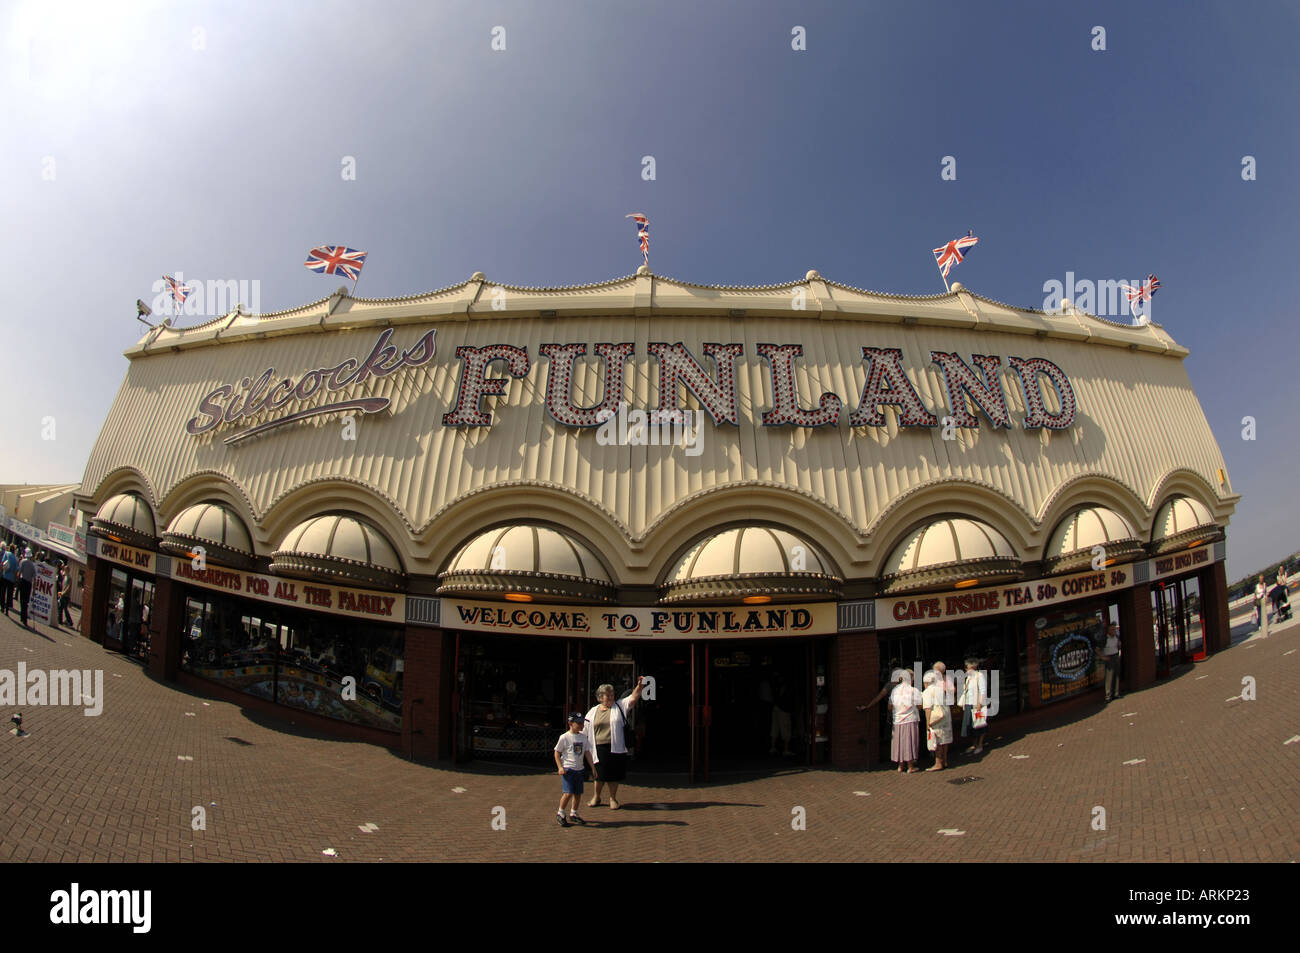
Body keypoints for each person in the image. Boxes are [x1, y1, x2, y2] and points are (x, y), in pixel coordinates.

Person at [584, 677, 645, 809]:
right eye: (607, 695)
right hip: (598, 748)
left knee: (613, 775)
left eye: (612, 694)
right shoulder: (592, 712)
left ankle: (613, 799)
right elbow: (585, 729)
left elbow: (633, 698)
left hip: (615, 747)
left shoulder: (619, 706)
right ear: (600, 697)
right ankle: (596, 797)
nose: (610, 697)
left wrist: (639, 687)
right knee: (598, 775)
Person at [554, 712, 596, 827]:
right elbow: (557, 753)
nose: (581, 725)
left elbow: (587, 752)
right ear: (570, 724)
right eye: (578, 723)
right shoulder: (564, 737)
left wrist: (592, 767)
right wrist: (560, 767)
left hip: (579, 769)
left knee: (578, 794)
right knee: (568, 793)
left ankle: (574, 813)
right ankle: (561, 813)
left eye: (582, 723)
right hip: (568, 769)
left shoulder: (583, 737)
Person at [922, 667, 952, 771]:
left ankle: (938, 763)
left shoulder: (927, 692)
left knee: (937, 741)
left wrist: (927, 723)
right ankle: (945, 761)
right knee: (944, 740)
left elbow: (928, 709)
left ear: (926, 682)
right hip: (945, 716)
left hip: (936, 719)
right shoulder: (940, 689)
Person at [958, 658, 989, 755]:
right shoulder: (968, 678)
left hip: (976, 705)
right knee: (971, 726)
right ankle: (974, 744)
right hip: (969, 704)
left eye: (967, 668)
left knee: (979, 725)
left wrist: (979, 704)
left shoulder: (979, 676)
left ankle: (980, 745)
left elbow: (983, 691)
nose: (966, 670)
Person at [1100, 623, 1122, 701]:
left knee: (1117, 676)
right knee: (1109, 677)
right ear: (1108, 631)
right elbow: (1097, 649)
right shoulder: (1105, 639)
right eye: (1112, 630)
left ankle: (1116, 693)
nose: (1114, 631)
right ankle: (1108, 696)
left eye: (1114, 629)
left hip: (1116, 656)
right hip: (1109, 658)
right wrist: (1103, 657)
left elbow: (1118, 646)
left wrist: (1119, 645)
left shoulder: (1116, 637)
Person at [17, 548, 36, 628]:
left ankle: (22, 616)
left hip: (23, 581)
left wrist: (17, 580)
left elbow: (19, 572)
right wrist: (34, 588)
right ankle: (24, 617)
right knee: (26, 601)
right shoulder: (32, 565)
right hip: (29, 584)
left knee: (22, 600)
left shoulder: (23, 561)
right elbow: (34, 578)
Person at [0, 544, 12, 616]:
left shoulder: (6, 554)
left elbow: (2, 564)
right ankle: (7, 608)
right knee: (8, 594)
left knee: (2, 591)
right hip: (11, 578)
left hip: (4, 575)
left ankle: (2, 606)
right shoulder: (14, 558)